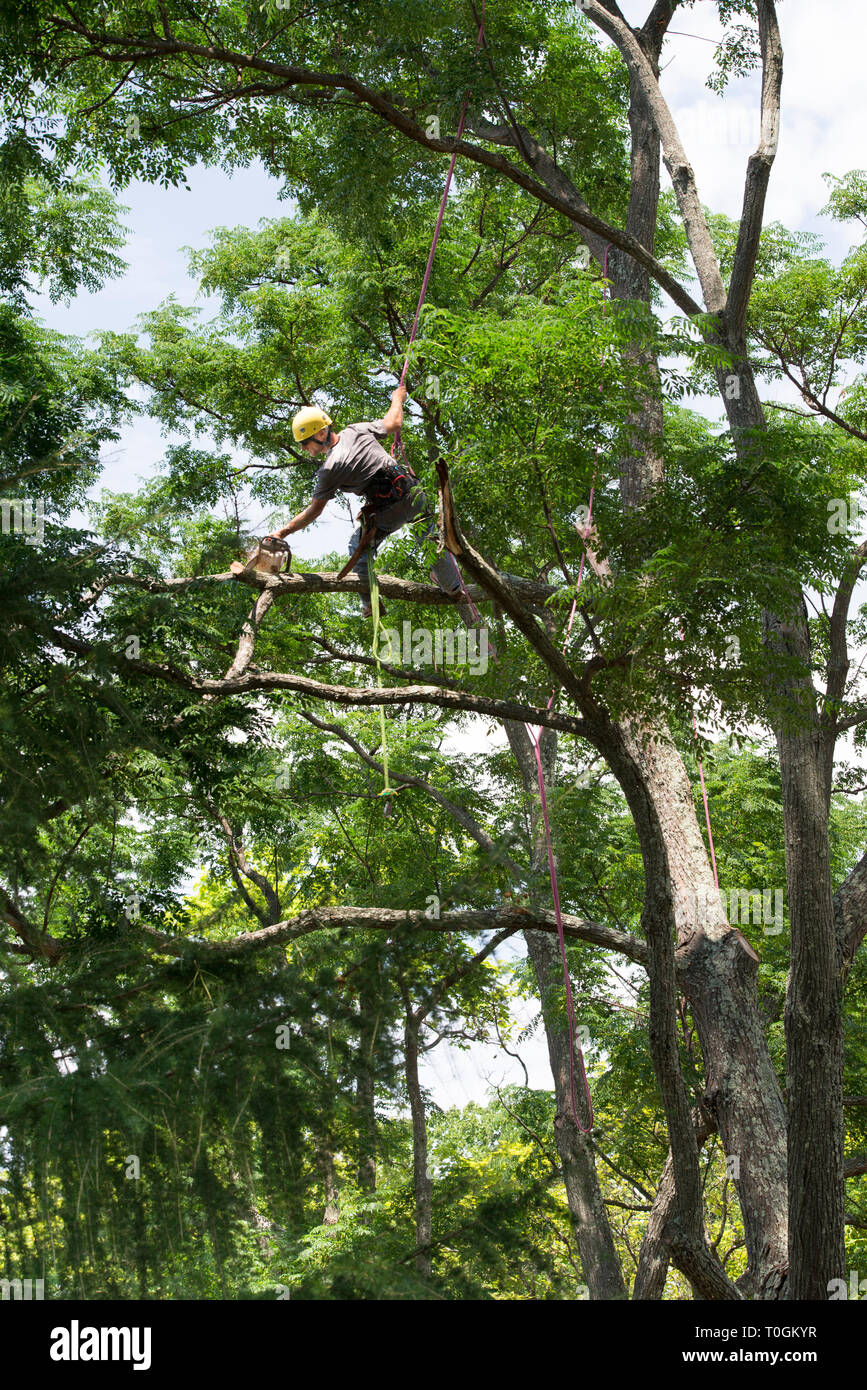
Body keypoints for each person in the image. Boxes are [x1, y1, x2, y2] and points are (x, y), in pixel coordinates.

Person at [268, 386, 464, 618]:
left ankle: (371, 603)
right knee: (430, 538)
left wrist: (282, 532)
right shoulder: (355, 430)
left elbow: (313, 511)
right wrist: (397, 398)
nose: (302, 447)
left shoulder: (330, 469)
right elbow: (393, 423)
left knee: (357, 551)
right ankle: (452, 586)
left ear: (321, 434)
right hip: (413, 492)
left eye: (304, 441)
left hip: (388, 508)